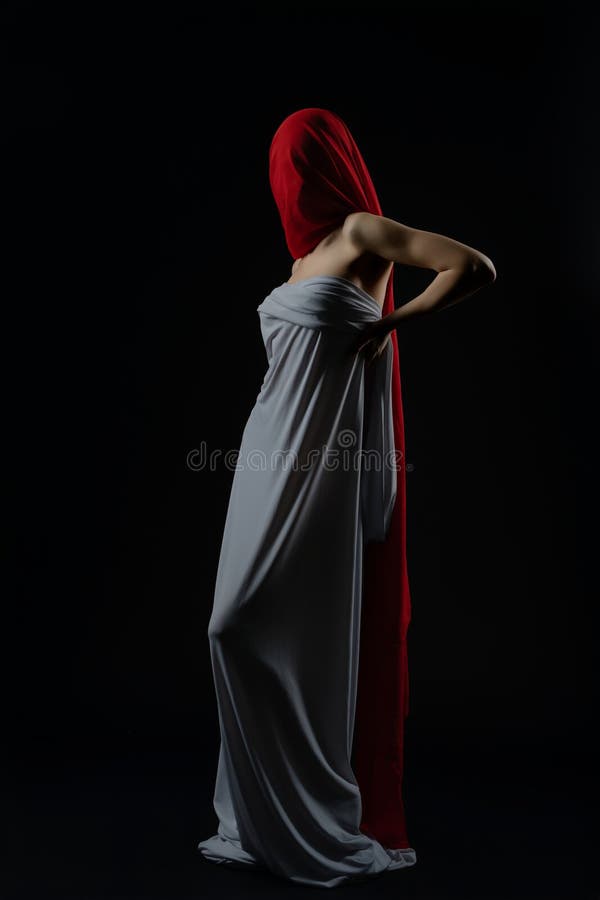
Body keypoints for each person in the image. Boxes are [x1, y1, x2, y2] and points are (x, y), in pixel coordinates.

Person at [197, 107, 496, 889]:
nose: (290, 178)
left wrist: (393, 321)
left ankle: (314, 811)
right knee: (230, 627)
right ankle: (266, 819)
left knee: (268, 625)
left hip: (324, 466)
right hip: (265, 456)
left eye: (299, 160)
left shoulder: (363, 232)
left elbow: (473, 267)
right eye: (280, 164)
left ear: (326, 161)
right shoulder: (300, 264)